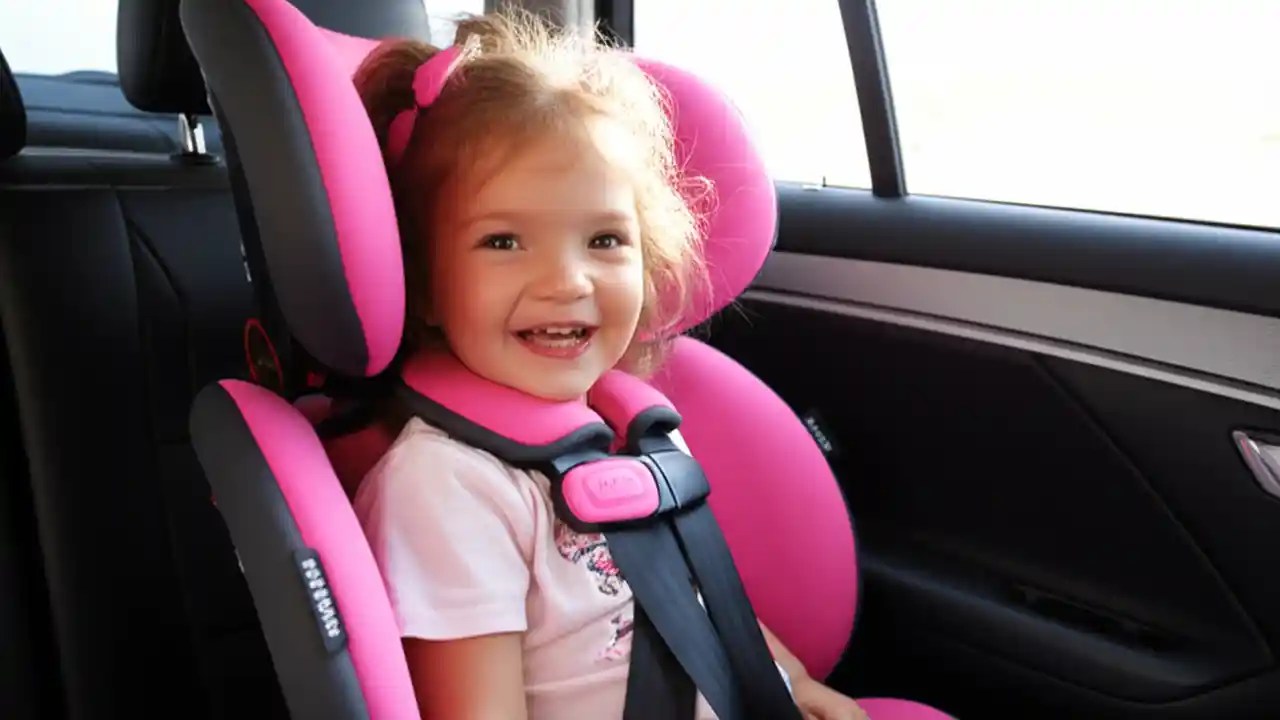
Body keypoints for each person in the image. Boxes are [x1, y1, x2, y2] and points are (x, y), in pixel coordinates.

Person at [351, 9, 869, 720]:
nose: (568, 281)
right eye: (503, 242)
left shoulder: (634, 432)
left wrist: (796, 684)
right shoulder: (447, 484)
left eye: (603, 239)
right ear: (426, 281)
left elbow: (693, 594)